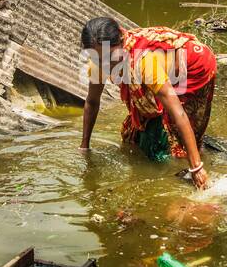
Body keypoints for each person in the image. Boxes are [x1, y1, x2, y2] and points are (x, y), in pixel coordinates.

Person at [78, 17, 215, 190]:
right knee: (136, 135)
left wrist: (197, 168)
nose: (106, 64)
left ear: (121, 40)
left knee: (172, 134)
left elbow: (178, 112)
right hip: (162, 68)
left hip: (194, 65)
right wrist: (84, 146)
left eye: (110, 57)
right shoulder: (100, 61)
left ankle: (191, 158)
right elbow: (92, 102)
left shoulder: (143, 62)